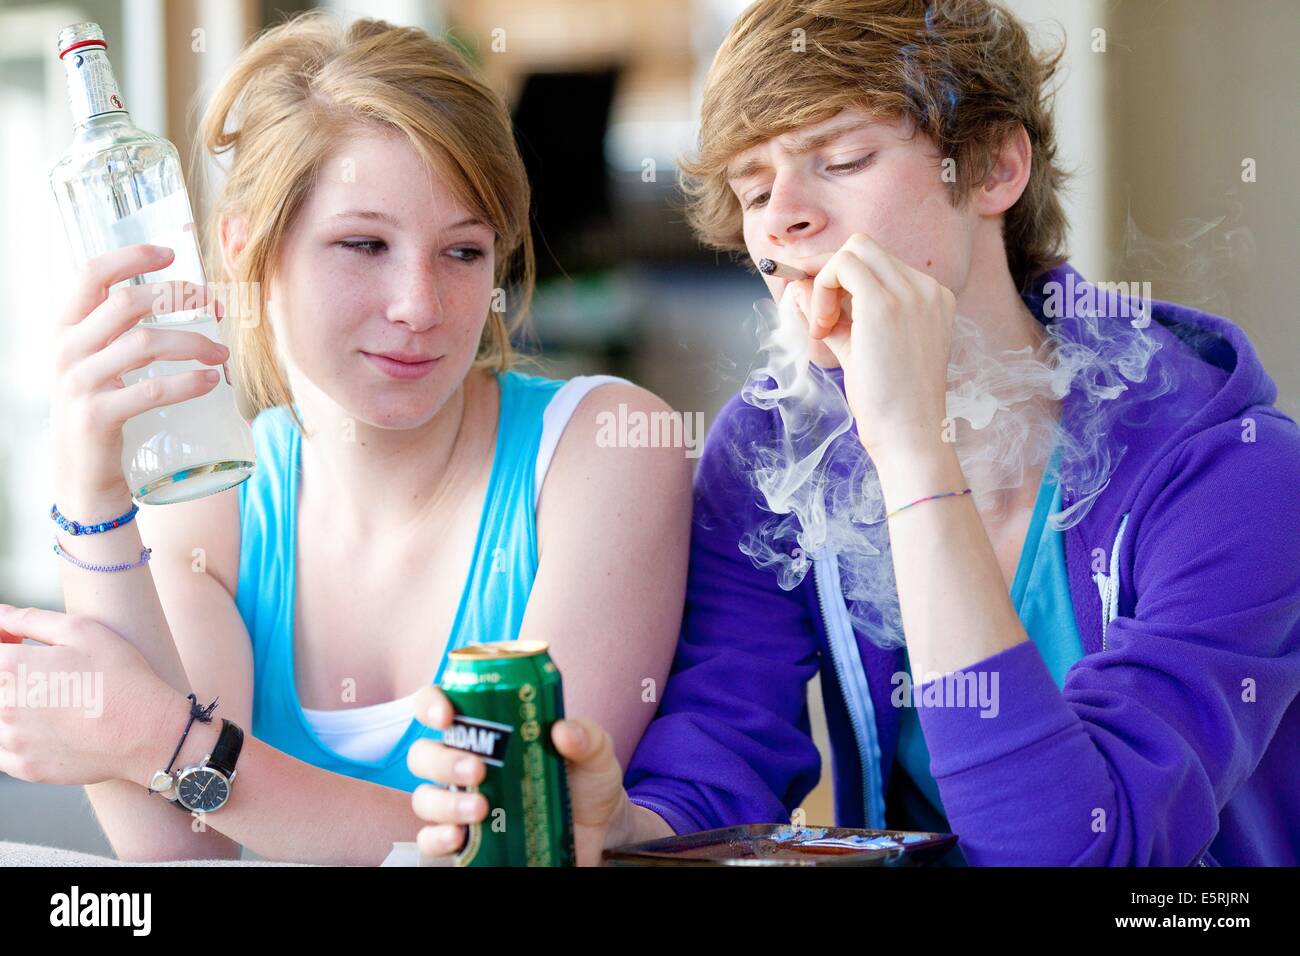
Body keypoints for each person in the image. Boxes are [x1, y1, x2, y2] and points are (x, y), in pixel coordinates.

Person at [411, 0, 1300, 866]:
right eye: (755, 190)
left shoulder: (1237, 476)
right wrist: (628, 829)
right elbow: (723, 760)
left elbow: (1076, 851)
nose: (782, 219)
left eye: (840, 159)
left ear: (994, 168)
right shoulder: (773, 452)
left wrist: (913, 448)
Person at [0, 12, 690, 865]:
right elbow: (179, 852)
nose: (420, 305)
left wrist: (153, 739)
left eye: (464, 252)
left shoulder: (604, 450)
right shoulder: (213, 515)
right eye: (364, 243)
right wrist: (94, 495)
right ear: (245, 246)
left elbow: (519, 838)